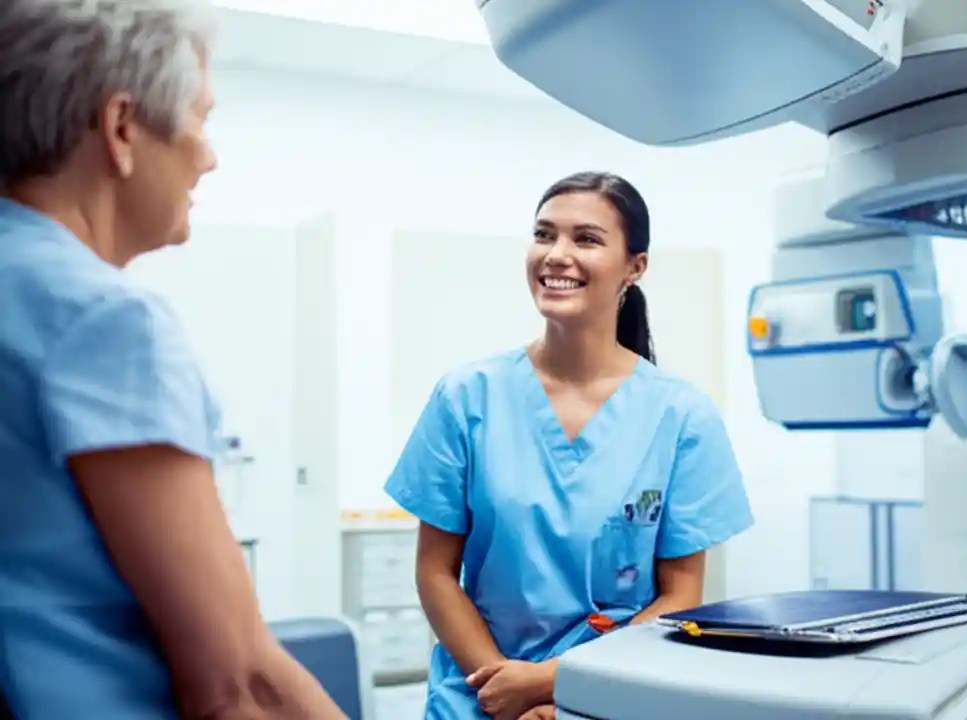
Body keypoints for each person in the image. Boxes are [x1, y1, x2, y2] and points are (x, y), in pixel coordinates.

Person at [0, 2, 345, 718]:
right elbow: (238, 685)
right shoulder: (102, 320)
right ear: (122, 127)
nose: (209, 155)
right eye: (201, 116)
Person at [385, 171, 756, 720]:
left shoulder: (680, 415)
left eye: (586, 239)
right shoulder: (467, 397)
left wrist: (558, 685)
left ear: (636, 266)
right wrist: (503, 691)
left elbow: (681, 595)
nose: (557, 255)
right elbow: (436, 572)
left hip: (613, 693)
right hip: (479, 695)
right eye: (543, 235)